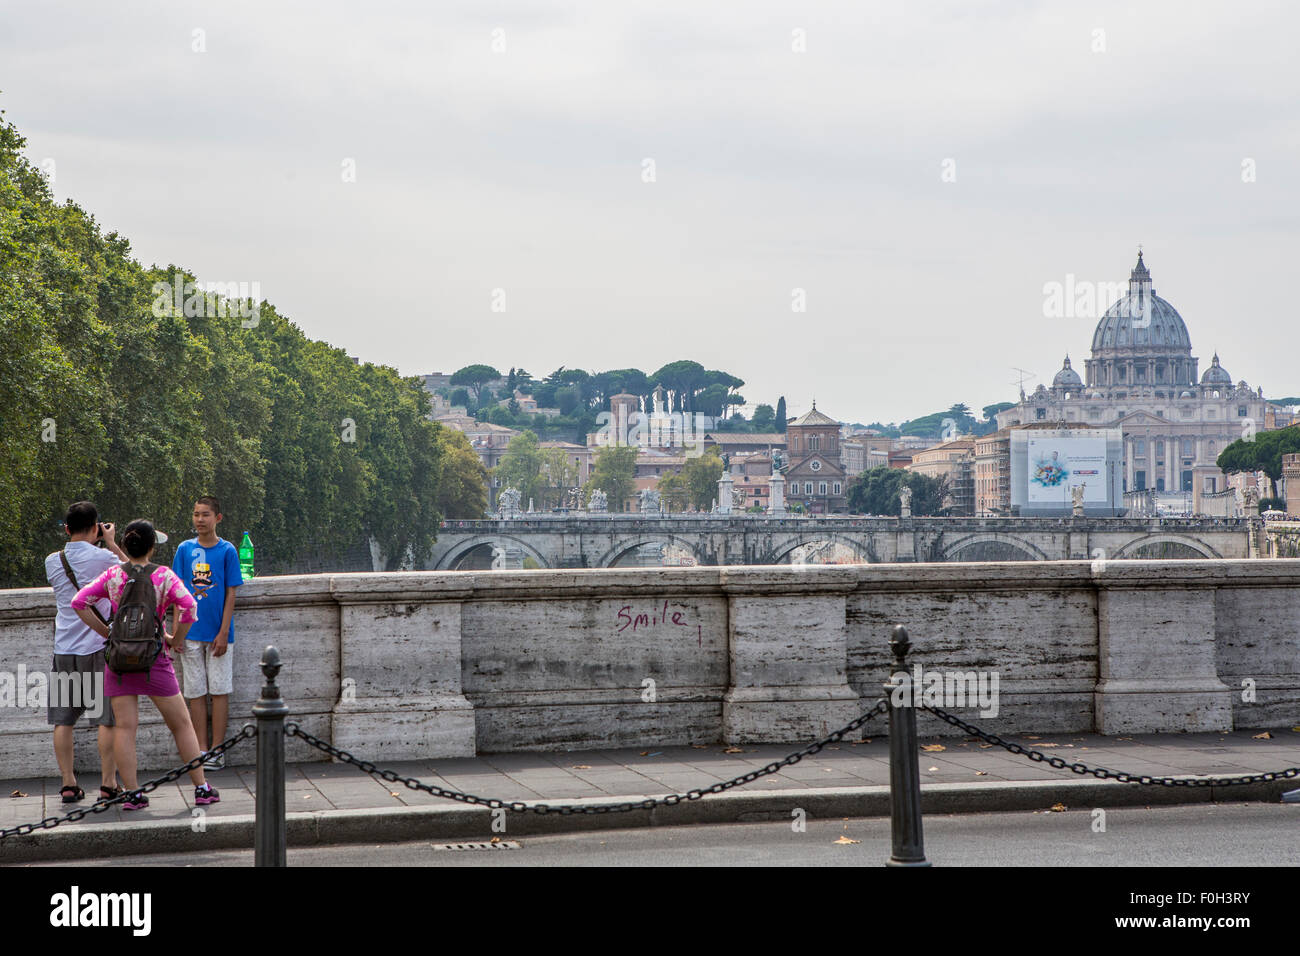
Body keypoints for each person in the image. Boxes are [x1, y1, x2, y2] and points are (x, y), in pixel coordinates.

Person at [71, 519, 219, 811]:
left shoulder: (113, 575)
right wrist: (175, 638)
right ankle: (201, 788)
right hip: (154, 661)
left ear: (125, 545)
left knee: (125, 729)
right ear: (152, 547)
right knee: (182, 725)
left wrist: (109, 632)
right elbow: (189, 607)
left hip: (119, 663)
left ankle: (133, 794)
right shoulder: (163, 576)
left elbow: (79, 602)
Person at [44, 501, 126, 804]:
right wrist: (112, 541)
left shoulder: (52, 561)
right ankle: (107, 784)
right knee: (105, 720)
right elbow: (134, 572)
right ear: (95, 527)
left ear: (66, 529)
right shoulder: (104, 558)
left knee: (63, 720)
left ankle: (68, 783)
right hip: (97, 645)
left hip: (64, 648)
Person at [171, 496, 243, 770]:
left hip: (218, 633)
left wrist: (224, 632)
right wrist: (176, 631)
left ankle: (218, 749)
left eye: (205, 515)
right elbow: (177, 592)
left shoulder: (227, 551)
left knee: (220, 690)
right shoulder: (184, 549)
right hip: (190, 632)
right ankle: (201, 747)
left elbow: (230, 593)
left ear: (218, 518)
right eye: (196, 514)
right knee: (196, 691)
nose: (200, 520)